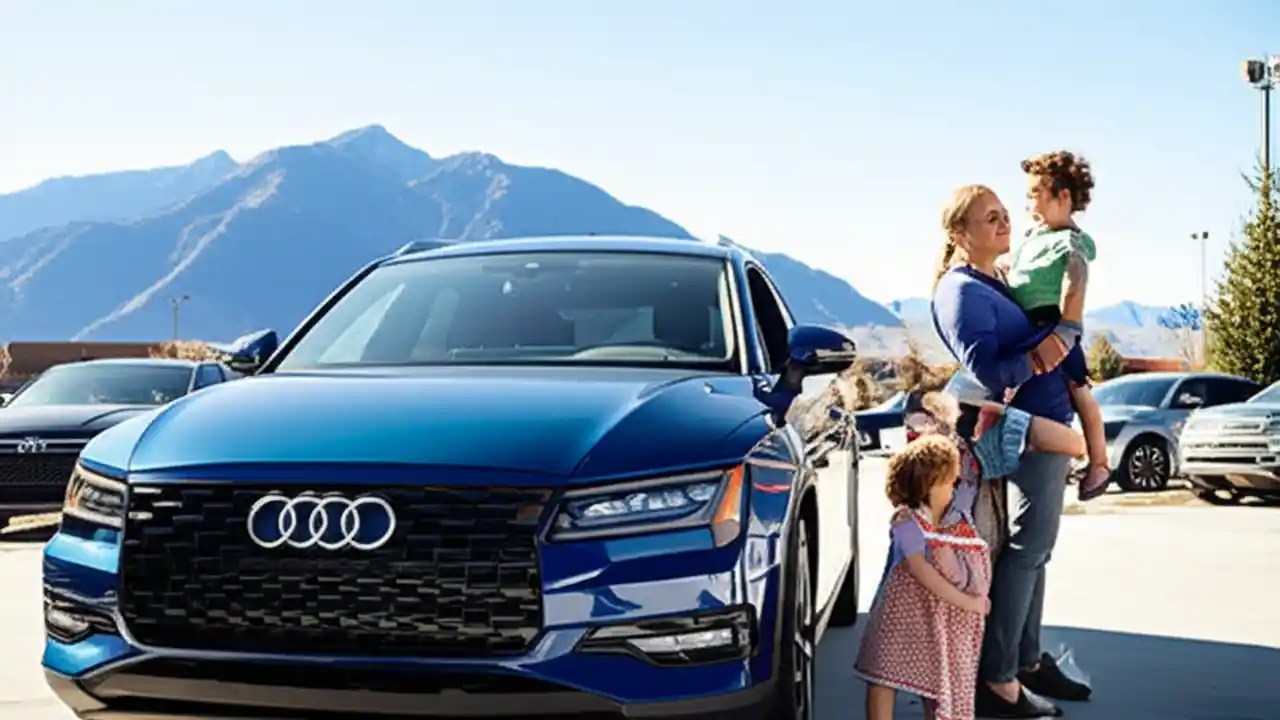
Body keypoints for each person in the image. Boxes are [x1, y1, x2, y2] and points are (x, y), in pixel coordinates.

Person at [930, 184, 1093, 718]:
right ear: (959, 235)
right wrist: (1056, 342)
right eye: (991, 217)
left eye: (1005, 214)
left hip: (1043, 423)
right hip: (1025, 430)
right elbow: (992, 374)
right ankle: (999, 681)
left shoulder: (989, 281)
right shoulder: (961, 292)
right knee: (1028, 548)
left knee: (1035, 550)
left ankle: (1025, 660)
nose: (1005, 223)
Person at [854, 435, 992, 720]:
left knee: (938, 686)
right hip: (902, 617)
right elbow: (919, 568)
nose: (953, 487)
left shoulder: (957, 519)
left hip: (939, 620)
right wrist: (969, 602)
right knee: (884, 677)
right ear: (926, 483)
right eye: (946, 481)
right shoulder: (907, 521)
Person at [1005, 150, 1111, 501]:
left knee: (1079, 391)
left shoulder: (1071, 243)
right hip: (1024, 326)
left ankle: (1099, 463)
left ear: (1063, 197)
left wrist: (1066, 329)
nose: (1028, 202)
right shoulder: (1032, 237)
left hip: (1052, 326)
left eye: (1035, 193)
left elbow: (1074, 283)